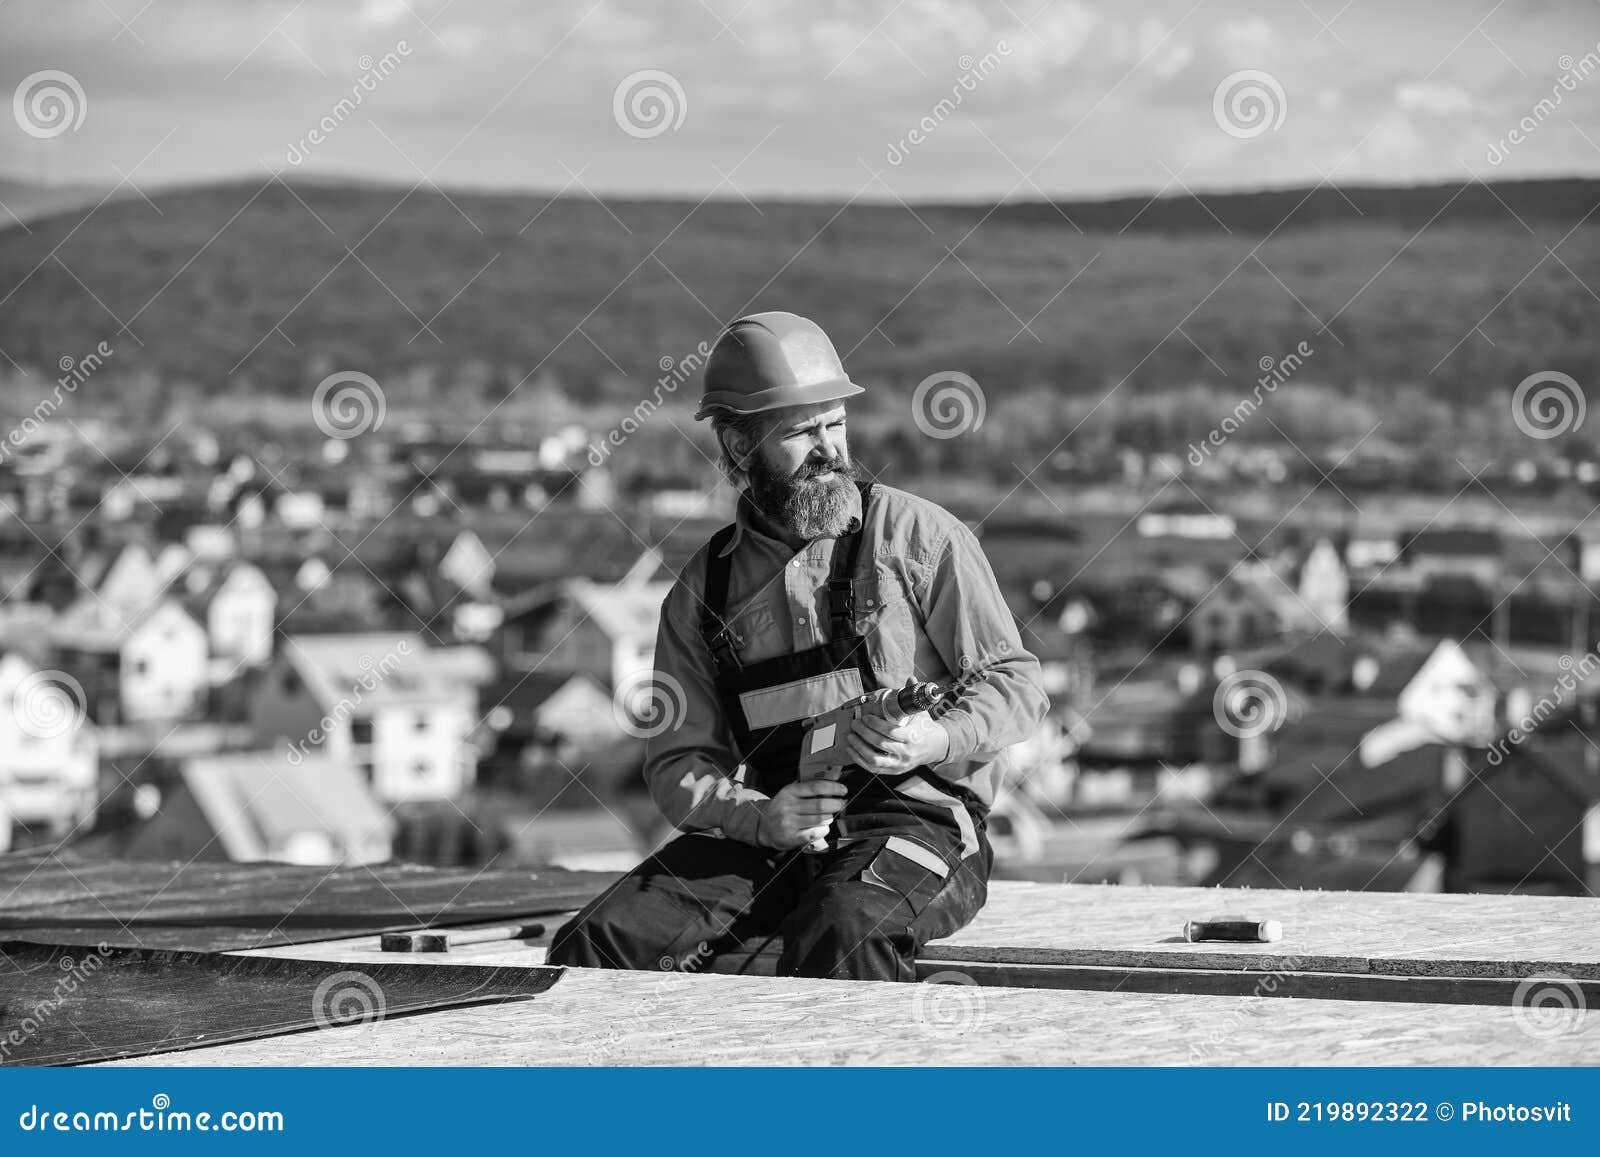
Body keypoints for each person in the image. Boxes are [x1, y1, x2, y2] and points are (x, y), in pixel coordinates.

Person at [548, 311, 1049, 982]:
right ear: (739, 446)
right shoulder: (701, 595)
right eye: (800, 432)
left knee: (843, 930)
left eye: (835, 424)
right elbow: (679, 761)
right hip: (777, 834)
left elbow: (1015, 682)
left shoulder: (917, 537)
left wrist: (938, 736)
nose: (828, 450)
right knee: (599, 942)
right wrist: (759, 817)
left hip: (918, 822)